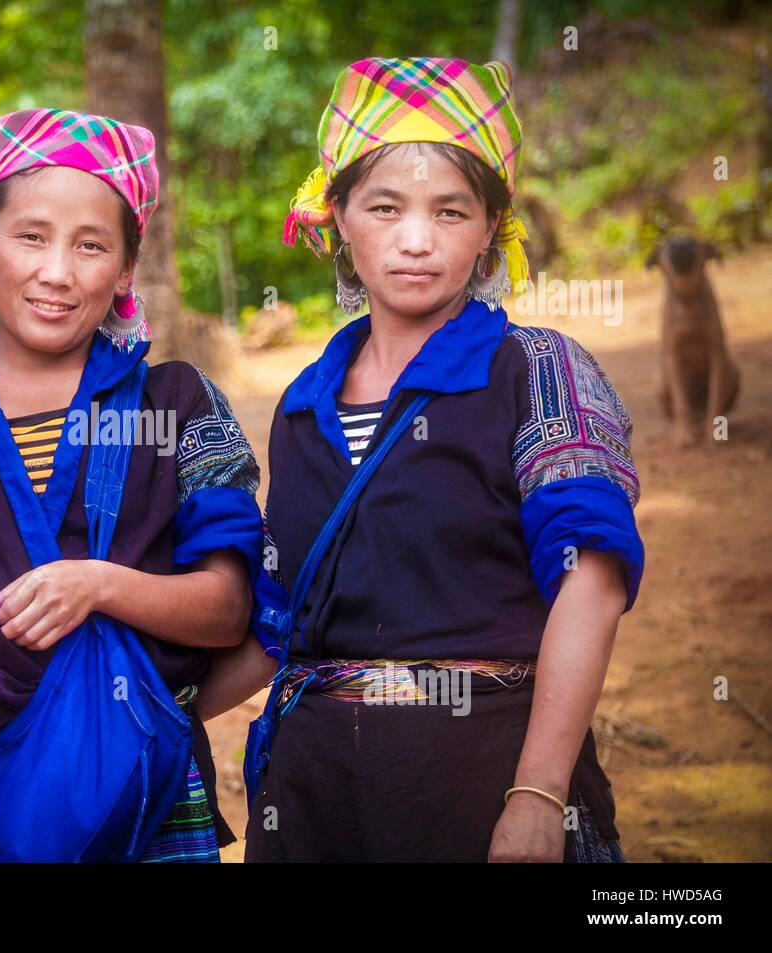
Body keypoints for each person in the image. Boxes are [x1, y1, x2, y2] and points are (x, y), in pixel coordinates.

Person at [236, 57, 644, 862]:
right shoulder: (301, 405)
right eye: (385, 207)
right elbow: (280, 617)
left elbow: (591, 580)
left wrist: (537, 795)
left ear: (492, 226)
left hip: (485, 780)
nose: (416, 240)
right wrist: (136, 713)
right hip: (314, 799)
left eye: (451, 211)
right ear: (338, 216)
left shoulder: (540, 371)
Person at [0, 108, 263, 862]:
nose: (57, 271)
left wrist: (99, 585)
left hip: (138, 791)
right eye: (31, 236)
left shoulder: (176, 403)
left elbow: (229, 609)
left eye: (90, 246)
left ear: (123, 270)